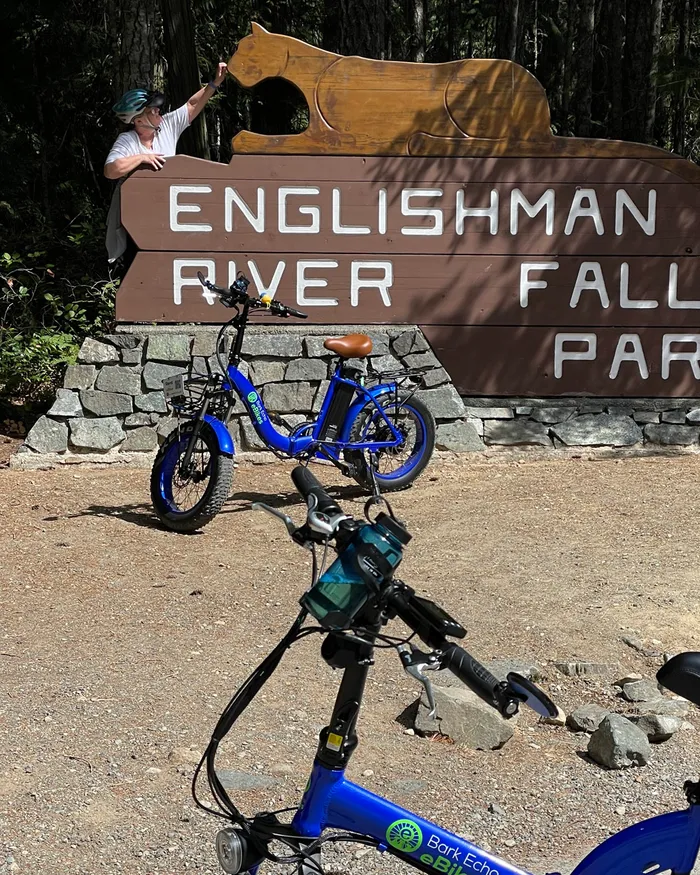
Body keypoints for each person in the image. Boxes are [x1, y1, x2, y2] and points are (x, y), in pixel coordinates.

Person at [104, 62, 228, 268]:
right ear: (138, 120)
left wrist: (215, 83)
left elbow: (192, 105)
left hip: (168, 215)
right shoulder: (127, 141)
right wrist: (141, 159)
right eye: (152, 111)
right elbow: (110, 170)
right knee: (138, 267)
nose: (158, 112)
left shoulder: (167, 126)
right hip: (138, 222)